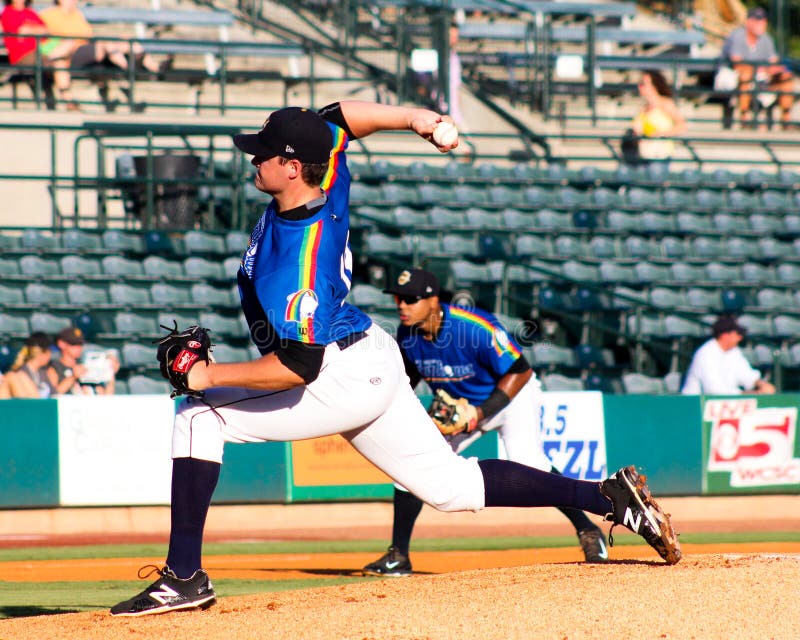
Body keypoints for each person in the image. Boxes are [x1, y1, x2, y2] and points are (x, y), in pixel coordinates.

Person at [109, 101, 680, 617]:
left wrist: (206, 375)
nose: (251, 160)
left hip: (334, 372)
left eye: (261, 153)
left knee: (198, 414)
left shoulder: (298, 262)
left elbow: (297, 369)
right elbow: (339, 119)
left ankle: (184, 576)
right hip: (369, 355)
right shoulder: (323, 174)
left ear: (289, 166)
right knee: (451, 487)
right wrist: (418, 120)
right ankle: (607, 496)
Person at [362, 268, 607, 577]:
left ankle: (587, 529)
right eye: (398, 299)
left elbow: (521, 370)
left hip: (509, 396)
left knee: (529, 463)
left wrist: (480, 412)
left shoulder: (472, 327)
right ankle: (398, 555)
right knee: (411, 465)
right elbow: (408, 379)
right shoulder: (407, 334)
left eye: (411, 299)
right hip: (460, 408)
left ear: (434, 300)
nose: (402, 305)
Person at [39, 0, 167, 77]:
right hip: (71, 51)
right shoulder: (49, 14)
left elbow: (87, 33)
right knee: (106, 44)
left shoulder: (76, 14)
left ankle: (152, 66)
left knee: (124, 39)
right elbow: (45, 33)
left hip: (85, 46)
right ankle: (127, 68)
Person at [1, 0, 83, 110]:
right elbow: (21, 31)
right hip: (23, 55)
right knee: (59, 59)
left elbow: (46, 31)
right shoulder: (7, 13)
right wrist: (35, 30)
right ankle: (67, 99)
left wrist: (31, 30)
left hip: (41, 52)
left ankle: (67, 100)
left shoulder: (30, 12)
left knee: (62, 57)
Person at [721, 6, 795, 128]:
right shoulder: (738, 35)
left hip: (759, 76)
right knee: (746, 76)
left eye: (763, 20)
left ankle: (786, 122)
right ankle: (745, 120)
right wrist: (763, 69)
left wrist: (775, 70)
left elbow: (774, 63)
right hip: (730, 77)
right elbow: (738, 65)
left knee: (785, 79)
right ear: (748, 22)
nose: (762, 23)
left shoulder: (766, 39)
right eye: (757, 20)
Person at [681, 315, 776, 395]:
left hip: (722, 406)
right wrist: (753, 393)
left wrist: (761, 384)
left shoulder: (734, 352)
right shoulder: (706, 353)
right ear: (725, 335)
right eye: (737, 334)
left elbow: (746, 374)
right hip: (694, 407)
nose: (740, 337)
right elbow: (713, 390)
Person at [622, 69, 686, 166]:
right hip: (644, 154)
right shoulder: (643, 109)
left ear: (654, 86)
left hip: (660, 155)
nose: (639, 87)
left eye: (643, 84)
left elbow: (681, 125)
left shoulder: (665, 104)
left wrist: (659, 134)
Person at [46, 326, 118, 395]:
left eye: (80, 344)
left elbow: (105, 397)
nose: (79, 348)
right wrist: (73, 377)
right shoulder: (54, 368)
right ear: (61, 344)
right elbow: (53, 395)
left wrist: (110, 372)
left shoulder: (87, 366)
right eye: (74, 344)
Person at [3, 332, 54, 398]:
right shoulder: (21, 373)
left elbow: (54, 394)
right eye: (49, 352)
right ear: (43, 353)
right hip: (32, 407)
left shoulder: (43, 372)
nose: (50, 356)